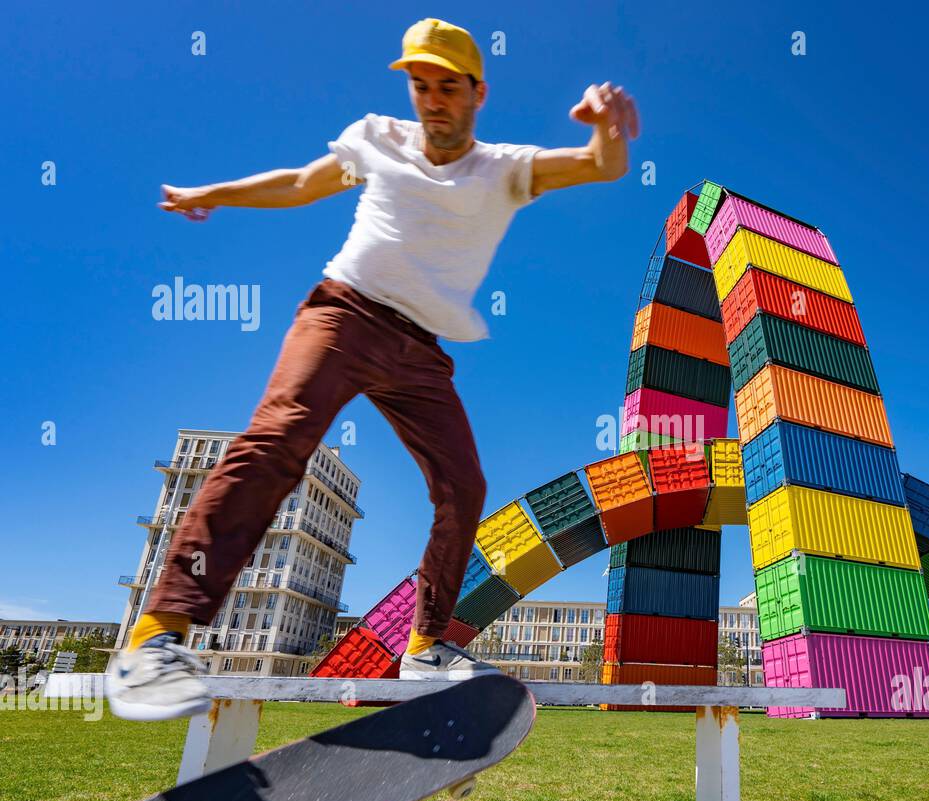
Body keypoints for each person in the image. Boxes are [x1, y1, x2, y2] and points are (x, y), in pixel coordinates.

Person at [107, 18, 639, 720]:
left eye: (448, 88)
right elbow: (300, 181)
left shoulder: (504, 168)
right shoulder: (377, 138)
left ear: (479, 92)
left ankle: (426, 646)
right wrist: (214, 192)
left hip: (421, 351)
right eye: (421, 87)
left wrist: (608, 127)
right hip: (343, 315)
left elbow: (600, 166)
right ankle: (155, 636)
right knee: (279, 438)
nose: (433, 102)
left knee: (464, 486)